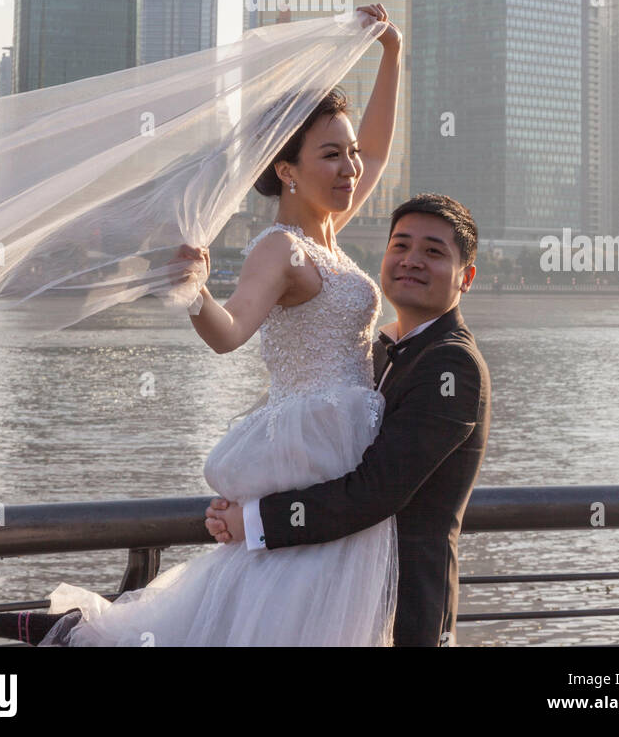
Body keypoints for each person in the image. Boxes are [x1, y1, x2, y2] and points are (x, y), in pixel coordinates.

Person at [0, 4, 403, 647]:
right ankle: (88, 635)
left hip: (344, 449)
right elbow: (231, 331)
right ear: (287, 168)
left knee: (303, 598)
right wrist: (193, 292)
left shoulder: (331, 238)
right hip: (313, 446)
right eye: (331, 155)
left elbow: (377, 150)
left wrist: (391, 58)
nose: (351, 167)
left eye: (349, 154)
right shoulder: (281, 248)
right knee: (292, 603)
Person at [206, 193, 491, 648]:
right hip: (337, 592)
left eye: (433, 252)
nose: (411, 261)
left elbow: (375, 491)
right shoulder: (382, 351)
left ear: (466, 277)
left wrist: (256, 520)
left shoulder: (450, 366)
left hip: (404, 611)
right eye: (400, 246)